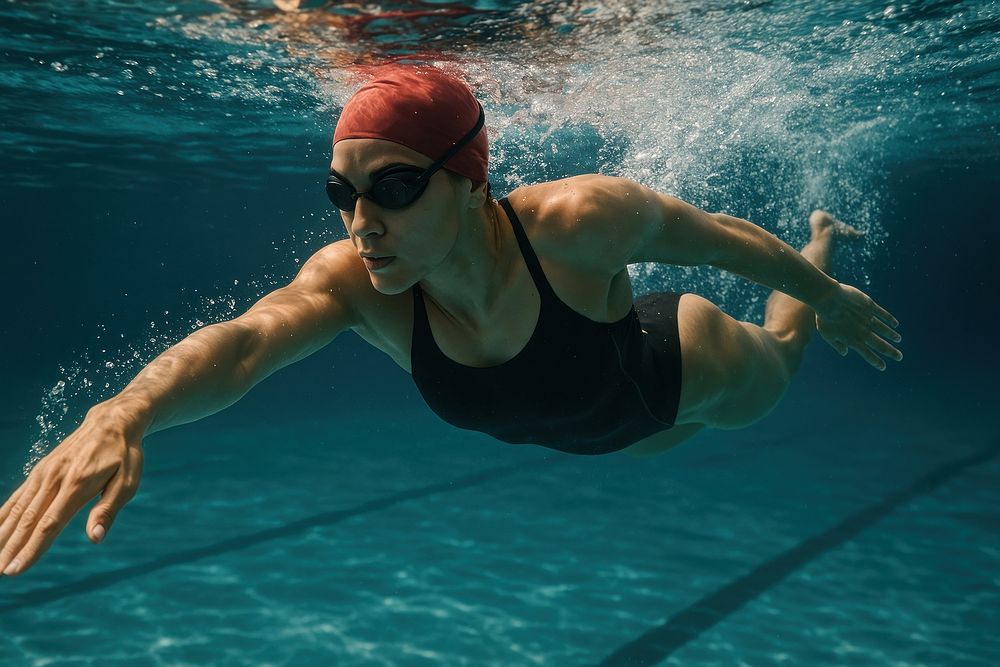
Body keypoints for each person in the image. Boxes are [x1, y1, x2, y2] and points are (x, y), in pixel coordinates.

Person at [0, 65, 902, 578]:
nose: (363, 222)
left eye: (394, 188)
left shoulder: (578, 220)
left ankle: (823, 239)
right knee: (658, 440)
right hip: (616, 435)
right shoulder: (359, 284)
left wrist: (827, 300)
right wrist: (126, 410)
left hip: (677, 368)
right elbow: (244, 339)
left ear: (472, 183)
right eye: (343, 194)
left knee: (781, 358)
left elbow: (724, 242)